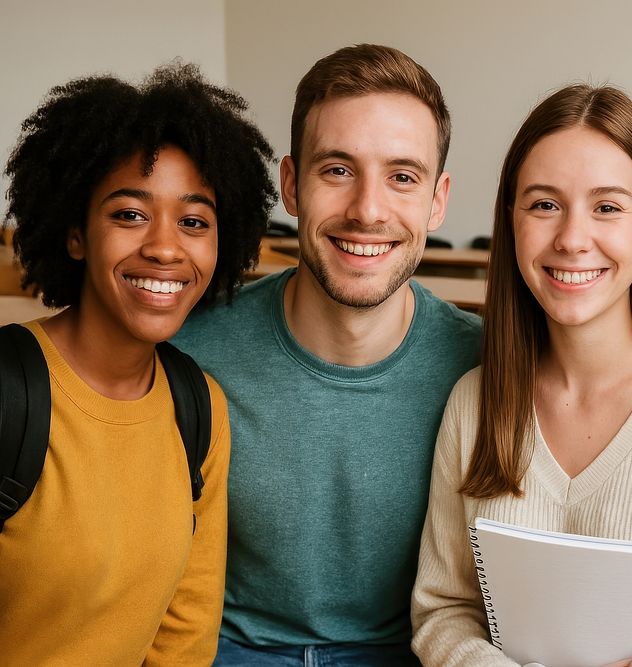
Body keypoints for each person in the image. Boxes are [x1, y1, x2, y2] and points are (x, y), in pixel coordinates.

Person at [411, 84, 632, 666]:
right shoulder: (474, 401)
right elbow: (444, 611)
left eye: (607, 207)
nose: (573, 239)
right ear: (511, 220)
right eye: (544, 205)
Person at [171, 44, 481, 665]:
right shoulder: (188, 349)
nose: (367, 210)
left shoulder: (486, 368)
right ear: (290, 185)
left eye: (402, 176)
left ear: (438, 199)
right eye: (337, 170)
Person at [0, 62, 276, 664]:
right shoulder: (8, 395)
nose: (164, 246)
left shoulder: (199, 408)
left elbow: (185, 636)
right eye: (129, 214)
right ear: (76, 233)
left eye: (194, 221)